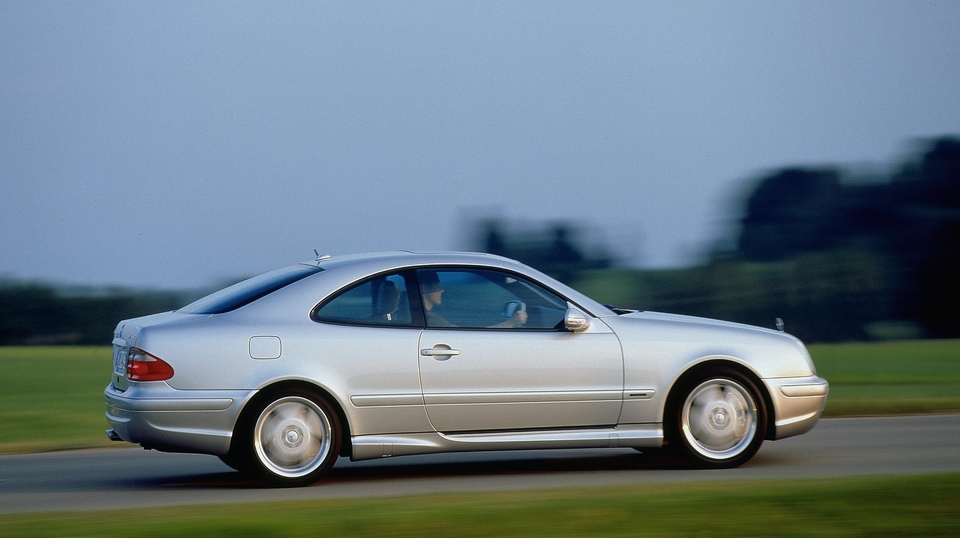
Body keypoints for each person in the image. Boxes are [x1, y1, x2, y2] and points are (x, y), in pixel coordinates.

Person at [419, 271, 527, 329]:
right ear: (424, 288)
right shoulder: (430, 319)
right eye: (437, 285)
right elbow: (465, 339)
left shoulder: (416, 316)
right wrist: (511, 323)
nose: (442, 290)